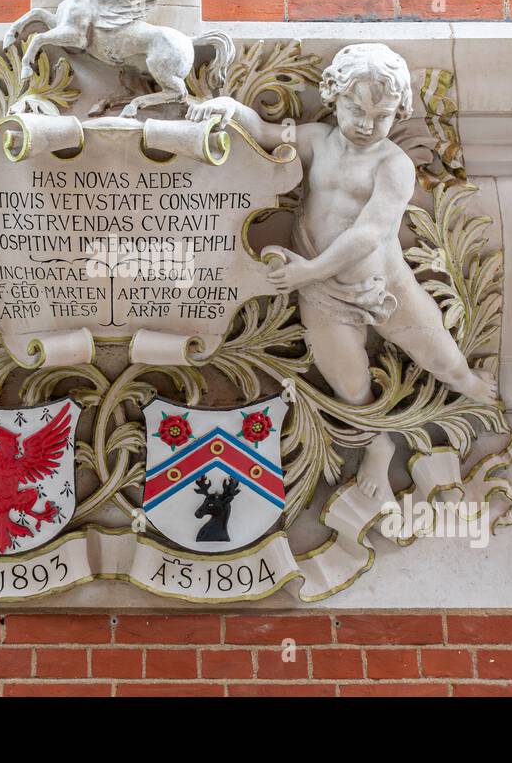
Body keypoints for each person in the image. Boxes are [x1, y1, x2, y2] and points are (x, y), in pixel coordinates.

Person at [188, 43, 496, 510]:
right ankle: (377, 446)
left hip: (386, 289)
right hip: (321, 293)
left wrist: (307, 269)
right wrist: (232, 110)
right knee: (350, 387)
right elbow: (267, 133)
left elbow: (369, 233)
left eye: (383, 114)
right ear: (332, 96)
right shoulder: (315, 139)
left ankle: (471, 387)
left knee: (444, 359)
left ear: (398, 112)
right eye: (356, 109)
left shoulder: (392, 164)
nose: (367, 124)